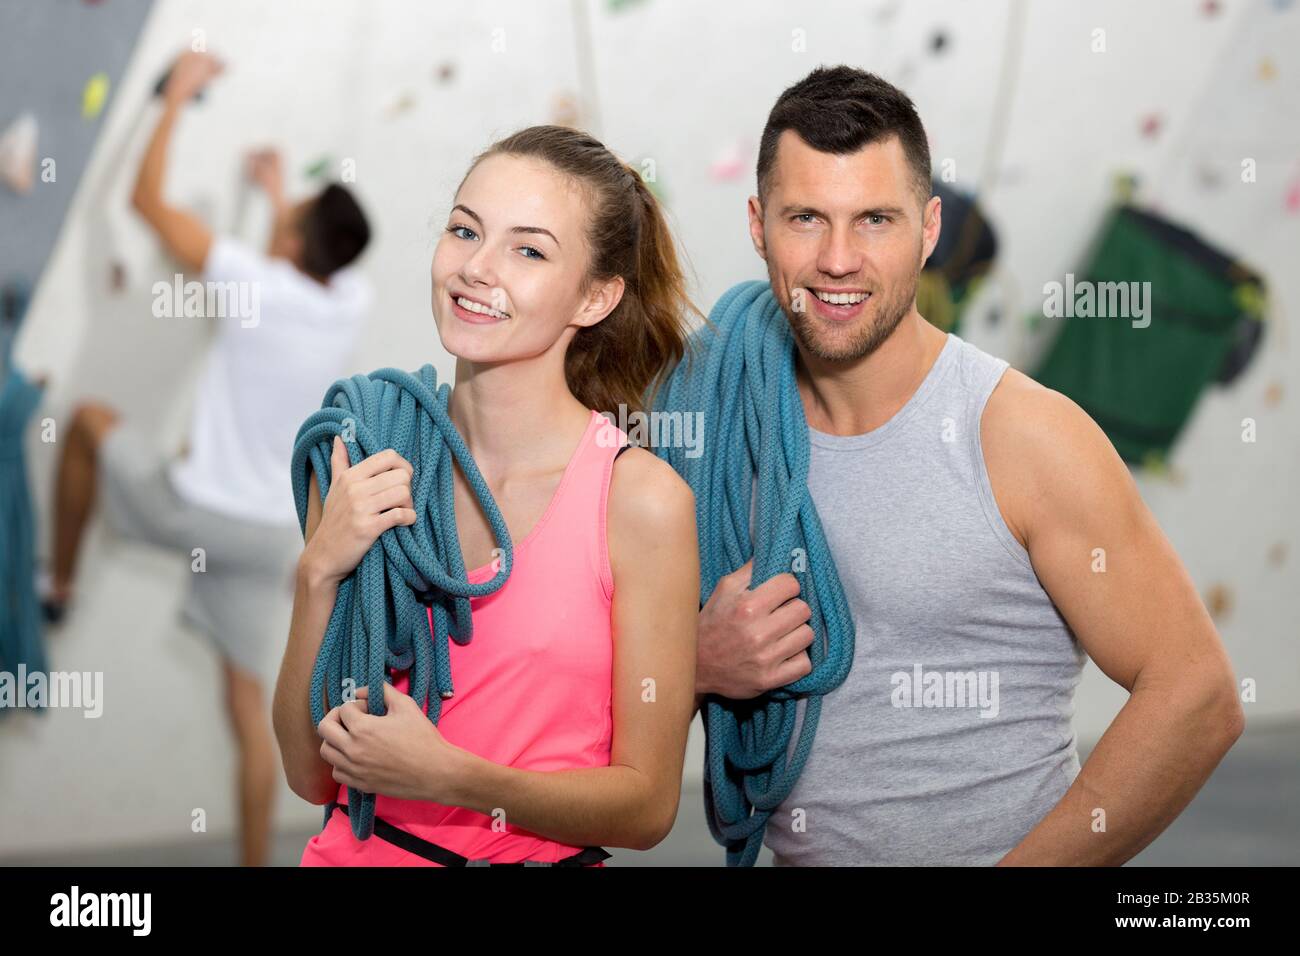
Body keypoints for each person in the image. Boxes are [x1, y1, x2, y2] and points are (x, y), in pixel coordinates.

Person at [685, 65, 1244, 865]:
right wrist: (696, 662)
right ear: (757, 224)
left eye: (876, 219)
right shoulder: (723, 427)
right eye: (806, 217)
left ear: (930, 228)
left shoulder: (1026, 435)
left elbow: (1196, 696)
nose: (838, 258)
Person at [275, 124, 701, 866]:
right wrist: (318, 574)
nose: (476, 268)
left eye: (528, 250)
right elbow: (309, 774)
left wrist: (451, 776)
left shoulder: (640, 501)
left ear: (596, 297)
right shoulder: (367, 453)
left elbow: (648, 806)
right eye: (464, 230)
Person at [41, 50, 373, 866]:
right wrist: (275, 197)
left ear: (295, 239)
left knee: (84, 421)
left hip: (195, 509)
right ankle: (259, 864)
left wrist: (177, 98)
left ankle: (61, 582)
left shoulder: (252, 284)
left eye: (291, 213)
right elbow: (283, 274)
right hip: (272, 538)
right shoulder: (346, 301)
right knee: (248, 704)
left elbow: (144, 202)